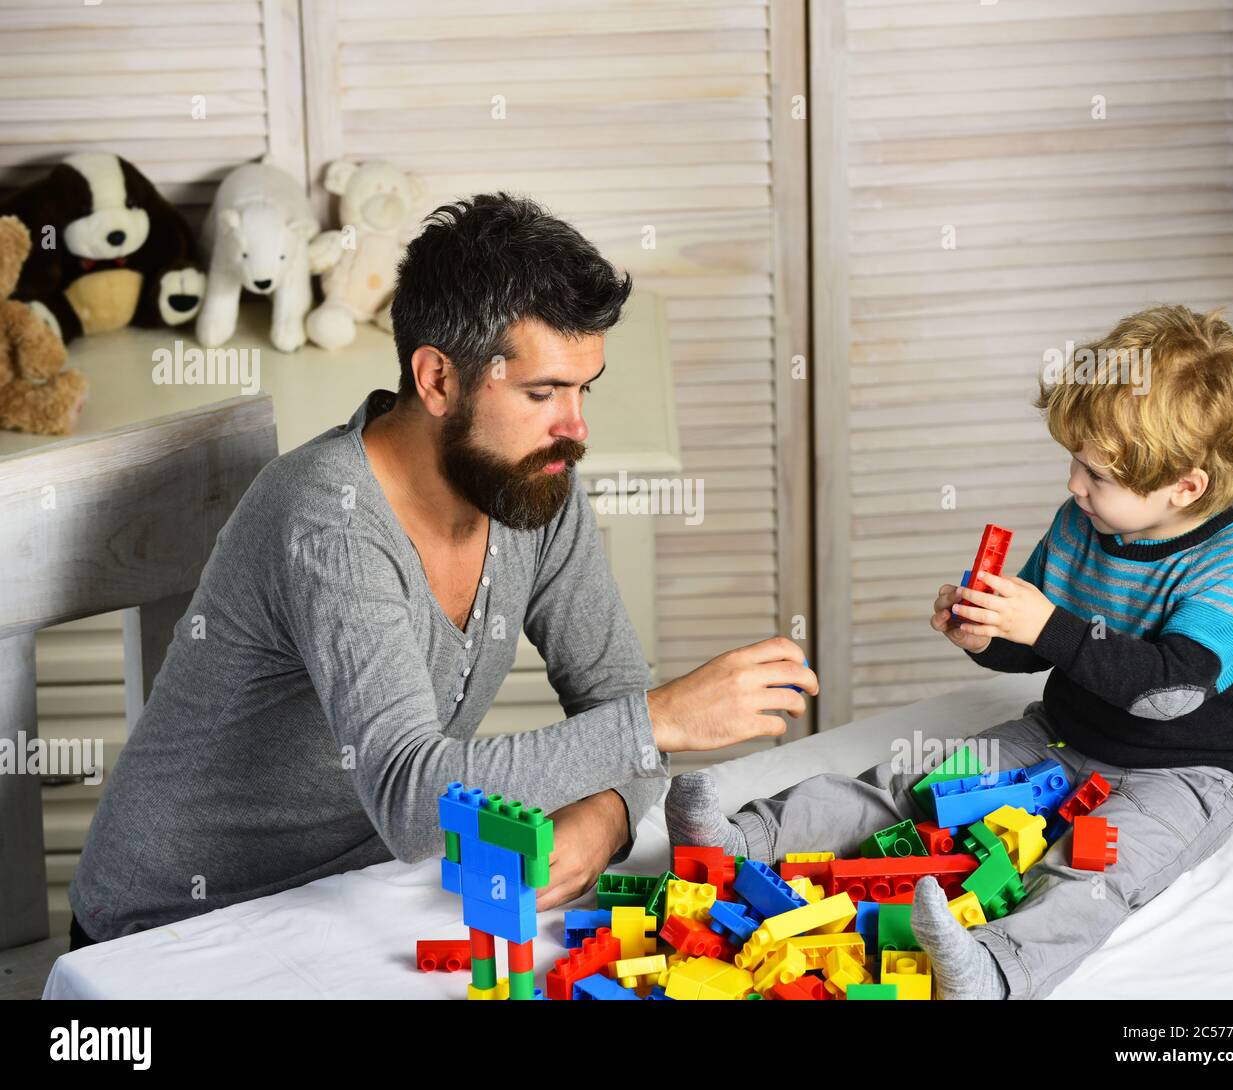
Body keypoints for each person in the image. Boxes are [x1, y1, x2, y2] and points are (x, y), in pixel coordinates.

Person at [67, 192, 817, 947]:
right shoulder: (328, 518)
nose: (576, 427)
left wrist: (606, 817)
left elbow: (611, 698)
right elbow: (414, 799)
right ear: (437, 380)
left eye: (583, 388)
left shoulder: (535, 479)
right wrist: (663, 719)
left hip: (355, 899)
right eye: (541, 392)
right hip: (170, 934)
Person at [666, 304, 1233, 999]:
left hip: (1180, 773)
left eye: (1096, 474)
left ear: (1184, 487)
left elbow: (1169, 693)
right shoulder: (1082, 523)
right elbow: (1038, 649)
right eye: (1074, 462)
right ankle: (741, 839)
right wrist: (988, 636)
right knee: (912, 784)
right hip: (1062, 735)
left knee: (1092, 869)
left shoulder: (1229, 567)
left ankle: (994, 968)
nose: (1074, 485)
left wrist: (1049, 626)